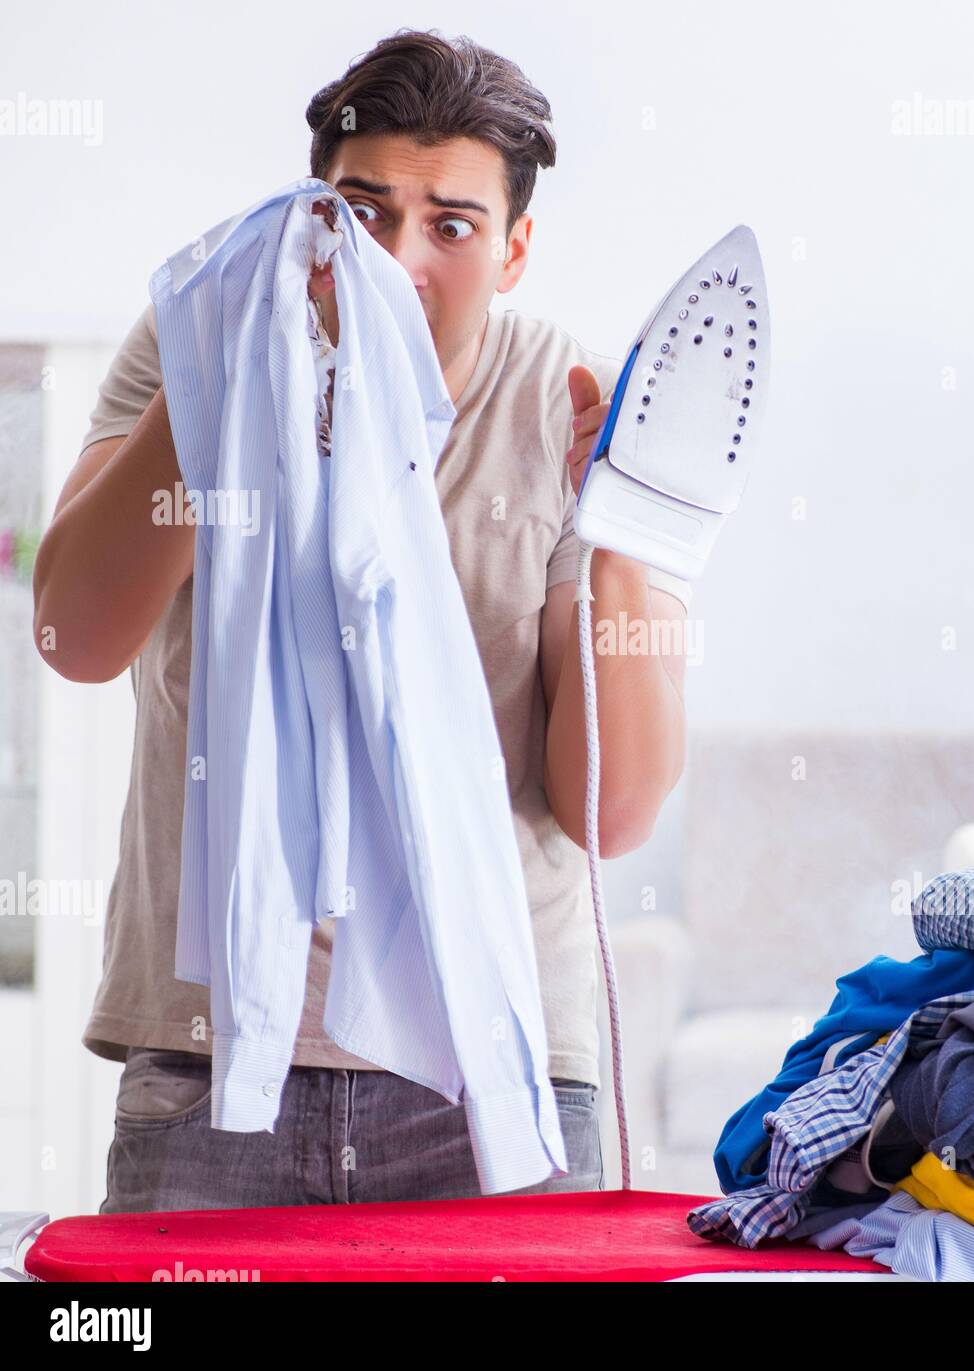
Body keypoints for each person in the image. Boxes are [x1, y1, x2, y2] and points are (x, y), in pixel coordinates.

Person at [30, 27, 691, 1212]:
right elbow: (72, 639)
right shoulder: (192, 344)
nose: (400, 260)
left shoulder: (576, 402)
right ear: (306, 216)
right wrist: (225, 376)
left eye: (451, 224)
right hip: (213, 1060)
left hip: (495, 1076)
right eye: (362, 212)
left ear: (515, 249)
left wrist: (627, 539)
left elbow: (616, 807)